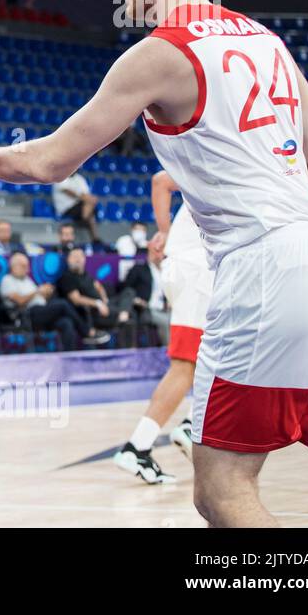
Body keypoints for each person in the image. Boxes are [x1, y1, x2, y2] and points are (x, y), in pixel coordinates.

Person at [0, 0, 308, 527]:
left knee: (221, 492)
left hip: (267, 267)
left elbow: (51, 161)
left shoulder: (159, 54)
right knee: (234, 482)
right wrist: (284, 242)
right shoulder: (264, 40)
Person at [113, 170, 209, 485]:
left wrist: (168, 233)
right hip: (196, 269)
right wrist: (166, 233)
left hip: (195, 268)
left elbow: (160, 183)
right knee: (186, 365)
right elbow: (160, 180)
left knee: (218, 355)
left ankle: (190, 426)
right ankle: (146, 444)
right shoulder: (222, 150)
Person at [0, 252, 85, 351]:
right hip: (26, 314)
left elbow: (38, 298)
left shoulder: (27, 280)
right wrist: (37, 291)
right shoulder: (7, 280)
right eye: (24, 266)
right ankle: (86, 332)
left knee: (66, 323)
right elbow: (20, 301)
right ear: (13, 266)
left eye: (27, 266)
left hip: (40, 313)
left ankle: (69, 356)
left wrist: (46, 293)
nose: (27, 269)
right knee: (62, 304)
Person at [53, 248, 116, 346]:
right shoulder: (67, 277)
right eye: (74, 257)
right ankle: (90, 333)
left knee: (128, 295)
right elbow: (76, 299)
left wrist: (104, 299)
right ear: (68, 259)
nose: (77, 259)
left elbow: (99, 286)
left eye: (80, 256)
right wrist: (98, 304)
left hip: (101, 308)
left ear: (84, 259)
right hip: (86, 313)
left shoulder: (86, 275)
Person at [51, 169, 98, 242]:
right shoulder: (60, 177)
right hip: (65, 209)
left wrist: (89, 199)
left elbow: (86, 194)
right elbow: (69, 192)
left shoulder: (80, 178)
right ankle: (85, 220)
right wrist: (85, 198)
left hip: (78, 207)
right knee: (90, 210)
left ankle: (85, 218)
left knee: (90, 205)